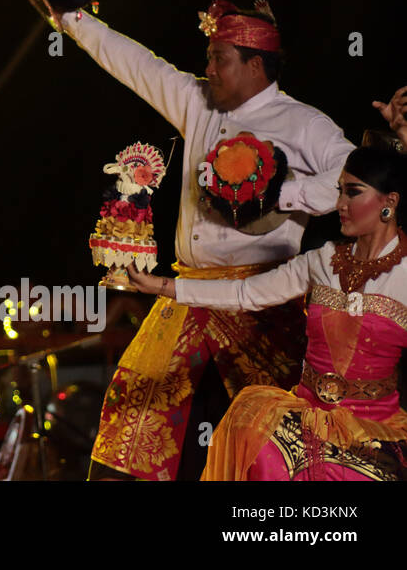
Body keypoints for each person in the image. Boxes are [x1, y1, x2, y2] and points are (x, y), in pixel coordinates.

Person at [23, 0, 355, 480]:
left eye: (219, 59)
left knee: (280, 437)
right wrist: (68, 15)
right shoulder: (197, 102)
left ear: (256, 65)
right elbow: (135, 63)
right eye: (208, 59)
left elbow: (355, 181)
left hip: (263, 303)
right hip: (184, 293)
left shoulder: (303, 123)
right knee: (134, 409)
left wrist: (283, 192)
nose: (210, 70)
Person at [126, 143, 407, 479]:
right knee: (253, 435)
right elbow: (246, 293)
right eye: (339, 192)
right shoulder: (322, 260)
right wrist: (163, 287)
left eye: (353, 193)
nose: (340, 205)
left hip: (373, 431)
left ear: (389, 201)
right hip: (305, 417)